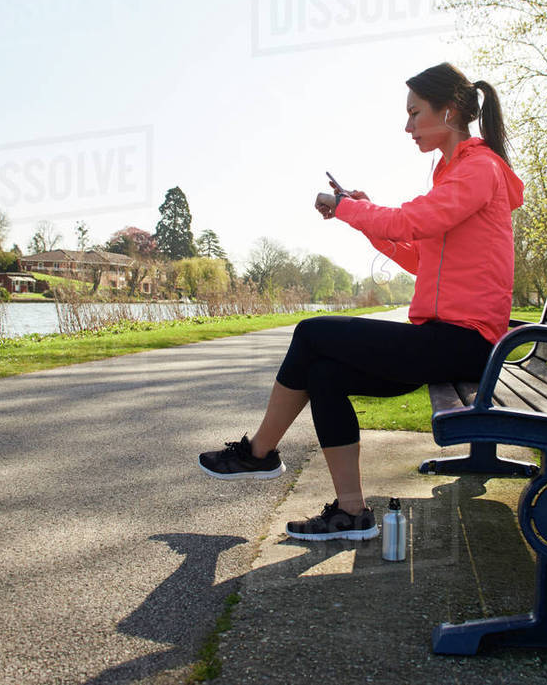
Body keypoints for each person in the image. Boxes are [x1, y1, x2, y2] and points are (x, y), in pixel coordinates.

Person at [198, 62, 524, 541]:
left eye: (415, 114)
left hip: (466, 342)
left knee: (312, 332)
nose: (407, 126)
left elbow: (412, 220)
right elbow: (420, 257)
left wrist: (349, 208)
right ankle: (351, 513)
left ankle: (259, 453)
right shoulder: (453, 171)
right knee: (323, 372)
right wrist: (364, 216)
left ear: (448, 110)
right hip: (440, 339)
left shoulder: (478, 170)